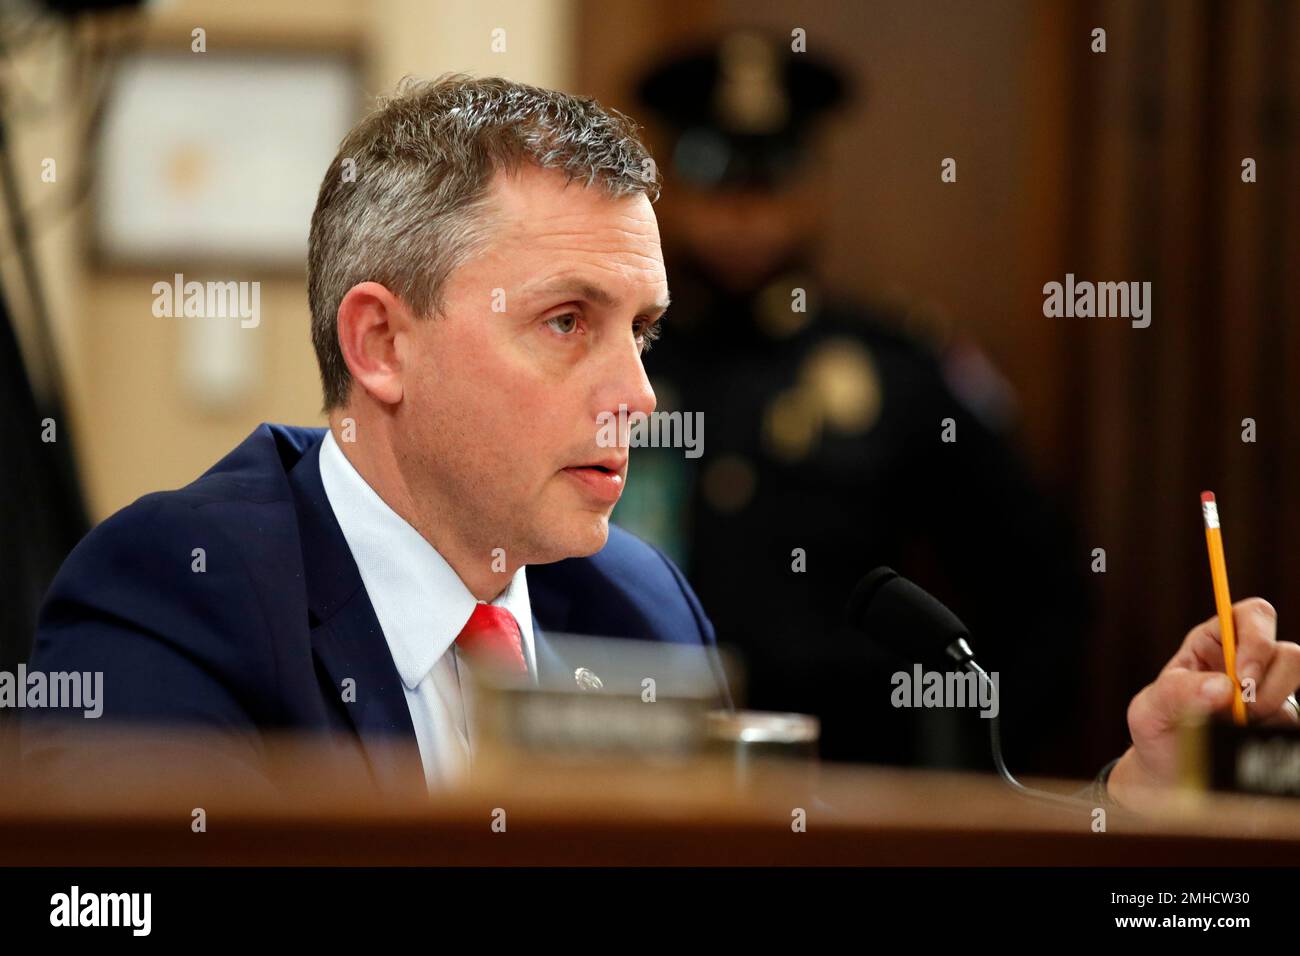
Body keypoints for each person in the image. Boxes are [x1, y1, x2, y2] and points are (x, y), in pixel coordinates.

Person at [19, 74, 1299, 812]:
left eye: (645, 328)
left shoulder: (632, 602)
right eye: (568, 322)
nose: (638, 391)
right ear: (380, 344)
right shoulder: (181, 591)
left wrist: (1120, 821)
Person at [622, 33, 1091, 774]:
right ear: (670, 189)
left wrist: (967, 774)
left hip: (852, 780)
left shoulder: (898, 368)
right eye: (713, 175)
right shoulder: (620, 355)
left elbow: (1041, 593)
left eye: (772, 177)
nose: (745, 211)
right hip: (631, 770)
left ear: (814, 186)